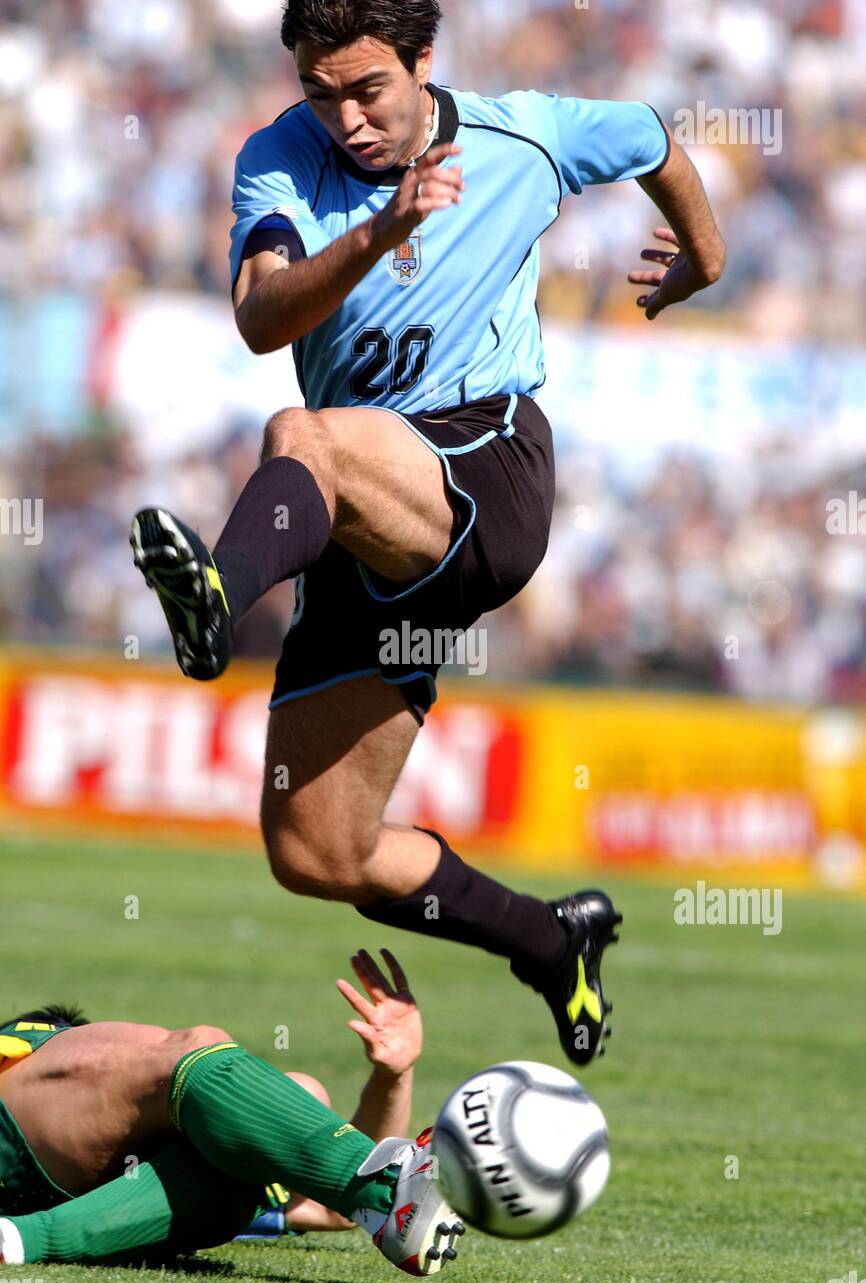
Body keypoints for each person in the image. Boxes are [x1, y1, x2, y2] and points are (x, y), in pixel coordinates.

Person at [130, 0, 726, 1068]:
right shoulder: (278, 157)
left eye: (368, 91)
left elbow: (651, 135)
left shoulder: (520, 134)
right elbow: (262, 318)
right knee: (317, 849)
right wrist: (382, 228)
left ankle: (218, 599)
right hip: (365, 525)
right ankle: (552, 941)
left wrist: (705, 256)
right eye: (324, 96)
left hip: (481, 470)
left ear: (421, 62)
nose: (346, 120)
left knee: (298, 434)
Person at [0, 951, 462, 1278]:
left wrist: (393, 1076)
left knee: (298, 1101)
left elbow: (335, 1208)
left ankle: (15, 1240)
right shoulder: (40, 1051)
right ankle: (383, 1183)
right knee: (189, 1050)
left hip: (55, 1201)